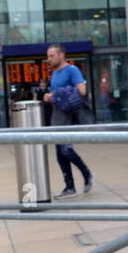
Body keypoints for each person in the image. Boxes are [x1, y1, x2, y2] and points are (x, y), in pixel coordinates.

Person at [42, 43, 95, 199]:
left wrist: (55, 94)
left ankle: (86, 174)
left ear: (61, 55)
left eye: (52, 56)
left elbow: (82, 90)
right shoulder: (54, 74)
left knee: (66, 150)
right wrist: (49, 97)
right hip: (58, 118)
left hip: (68, 118)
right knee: (60, 153)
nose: (48, 59)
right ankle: (70, 186)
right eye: (48, 56)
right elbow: (56, 96)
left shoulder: (72, 70)